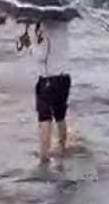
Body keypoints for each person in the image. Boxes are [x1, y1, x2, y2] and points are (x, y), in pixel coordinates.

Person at [17, 18, 71, 161]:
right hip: (64, 78)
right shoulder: (63, 24)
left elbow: (40, 56)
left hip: (48, 80)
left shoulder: (47, 28)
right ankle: (62, 147)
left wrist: (29, 44)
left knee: (44, 119)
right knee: (60, 116)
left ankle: (44, 156)